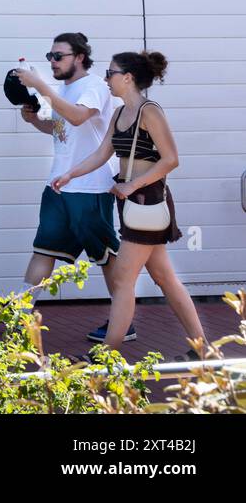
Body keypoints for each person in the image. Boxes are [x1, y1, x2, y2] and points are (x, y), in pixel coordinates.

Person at [51, 51, 205, 360]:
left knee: (122, 279)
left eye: (110, 73)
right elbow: (101, 153)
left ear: (128, 77)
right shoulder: (120, 113)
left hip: (148, 201)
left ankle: (107, 354)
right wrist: (70, 173)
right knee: (165, 278)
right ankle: (204, 350)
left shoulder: (150, 112)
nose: (106, 79)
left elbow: (171, 159)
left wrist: (131, 185)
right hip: (132, 204)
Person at [12, 32, 131, 343]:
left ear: (79, 57)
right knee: (44, 248)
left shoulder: (93, 86)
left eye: (58, 56)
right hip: (59, 184)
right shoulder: (64, 89)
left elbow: (78, 117)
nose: (52, 61)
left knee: (106, 255)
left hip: (90, 186)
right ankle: (20, 312)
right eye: (50, 55)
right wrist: (35, 120)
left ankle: (124, 321)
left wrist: (40, 86)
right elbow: (61, 128)